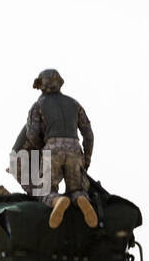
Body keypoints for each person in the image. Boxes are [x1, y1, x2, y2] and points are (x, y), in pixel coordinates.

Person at [17, 69, 97, 229]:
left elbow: (31, 134)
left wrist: (43, 151)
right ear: (60, 83)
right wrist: (86, 159)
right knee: (76, 188)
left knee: (45, 191)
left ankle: (58, 201)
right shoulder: (74, 103)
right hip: (74, 148)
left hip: (52, 149)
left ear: (41, 86)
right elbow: (88, 135)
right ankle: (81, 198)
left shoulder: (38, 105)